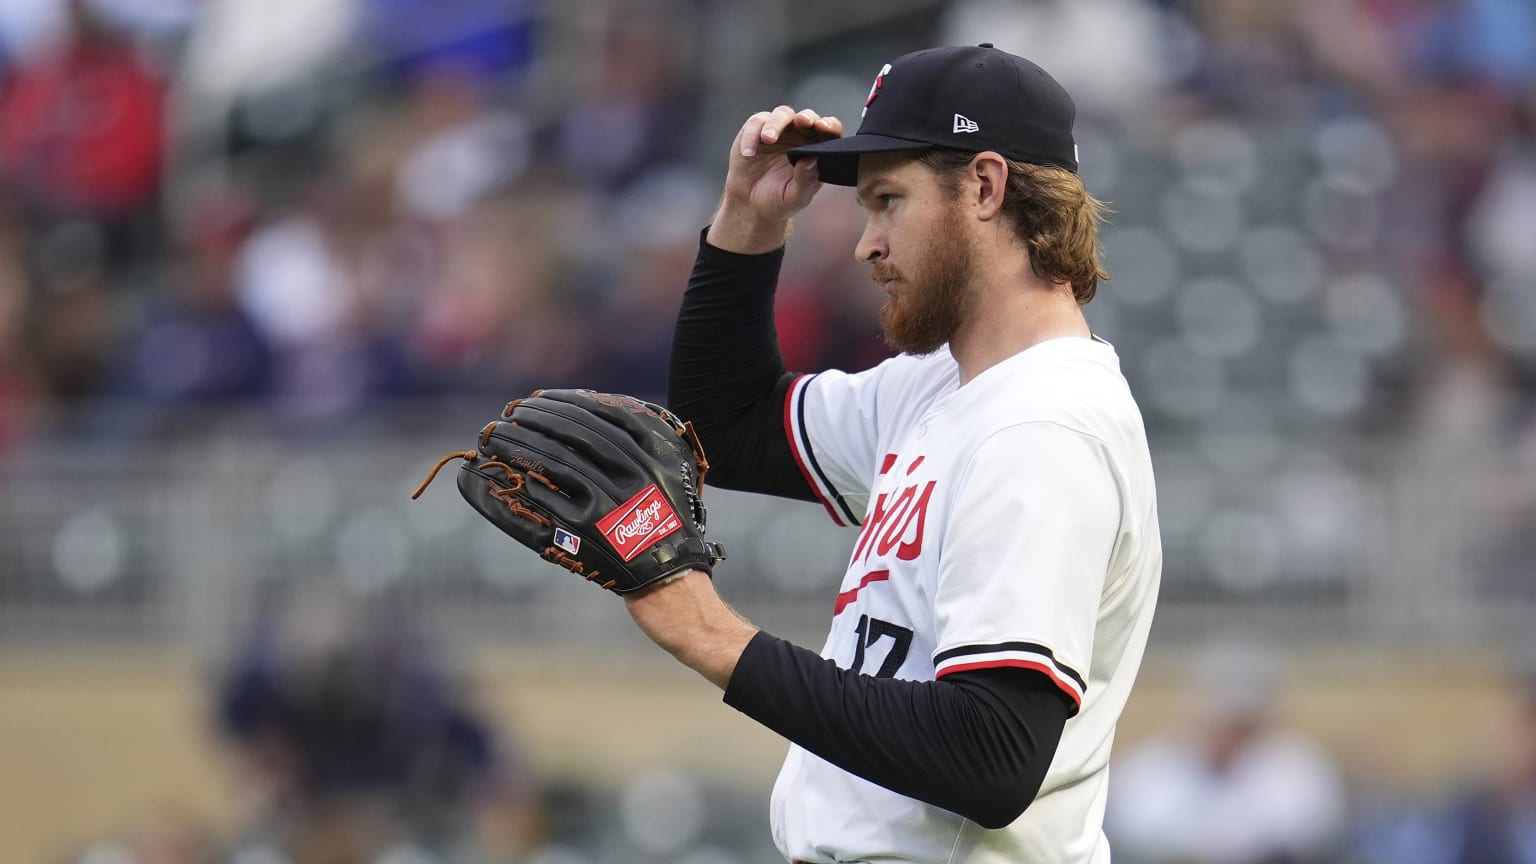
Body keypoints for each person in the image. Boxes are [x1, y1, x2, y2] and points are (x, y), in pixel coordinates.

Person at [611, 44, 1162, 863]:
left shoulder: (1042, 427)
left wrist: (711, 636)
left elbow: (991, 755)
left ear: (985, 185)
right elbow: (727, 426)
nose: (867, 244)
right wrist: (750, 221)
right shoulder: (941, 387)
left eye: (889, 201)